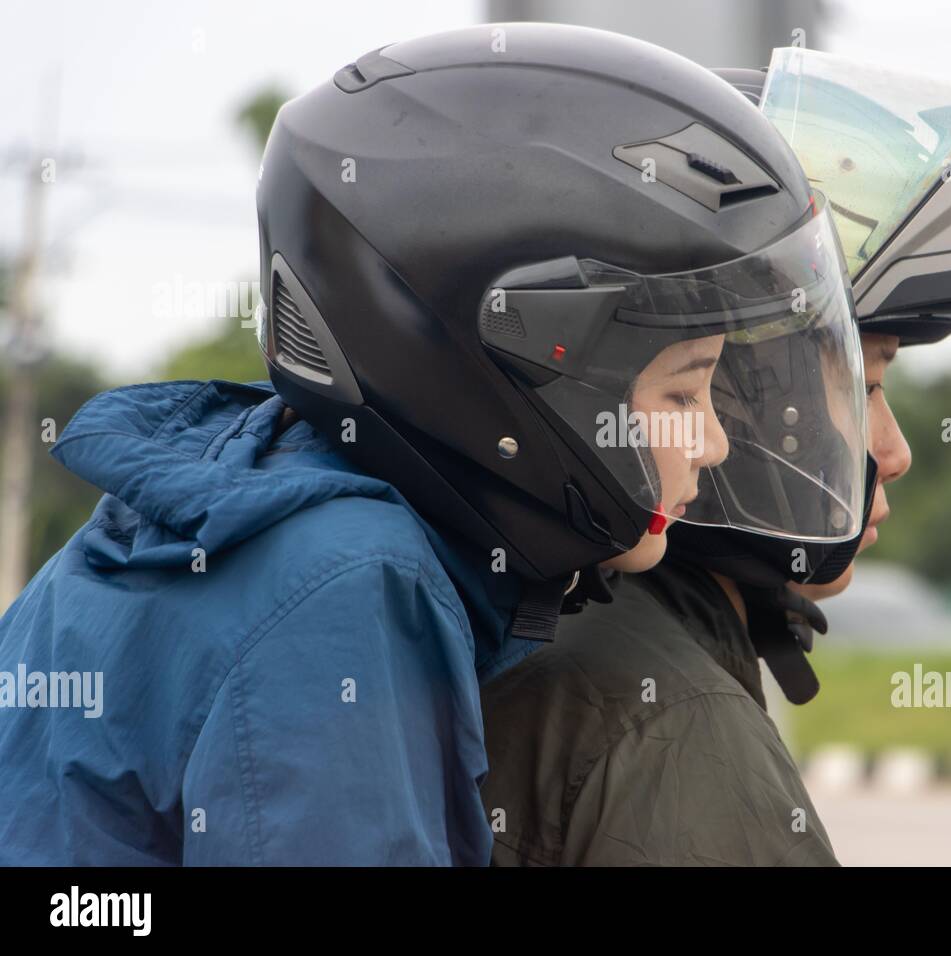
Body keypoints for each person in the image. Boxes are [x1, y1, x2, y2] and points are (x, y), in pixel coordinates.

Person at [0, 25, 868, 865]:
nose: (712, 442)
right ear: (510, 375)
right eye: (683, 391)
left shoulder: (244, 507)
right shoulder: (347, 587)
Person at [478, 48, 951, 866]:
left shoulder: (557, 634)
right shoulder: (669, 721)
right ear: (737, 403)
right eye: (866, 384)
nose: (892, 454)